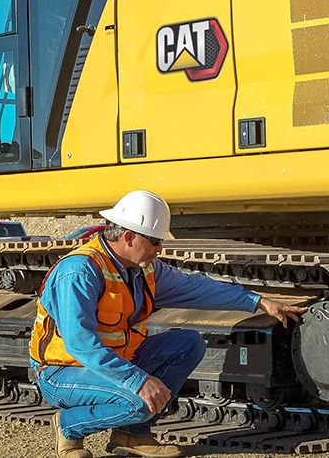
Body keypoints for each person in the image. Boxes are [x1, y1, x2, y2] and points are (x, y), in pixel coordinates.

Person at [29, 190, 307, 458]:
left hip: (113, 361)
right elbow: (80, 344)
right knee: (140, 400)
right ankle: (69, 425)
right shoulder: (79, 272)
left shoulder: (142, 269)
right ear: (129, 237)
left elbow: (198, 288)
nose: (160, 249)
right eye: (155, 241)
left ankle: (133, 434)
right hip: (62, 372)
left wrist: (258, 302)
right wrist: (138, 381)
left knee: (187, 344)